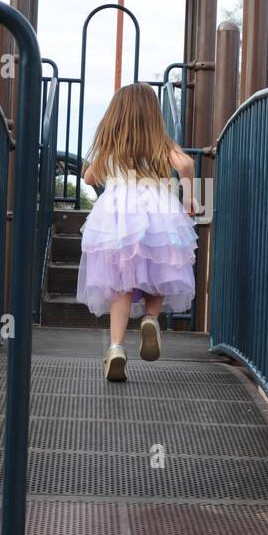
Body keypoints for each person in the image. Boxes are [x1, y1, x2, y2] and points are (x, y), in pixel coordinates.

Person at [76, 82, 198, 381]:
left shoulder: (112, 142)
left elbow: (89, 176)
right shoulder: (160, 140)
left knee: (122, 285)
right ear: (154, 113)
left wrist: (107, 175)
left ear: (116, 113)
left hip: (118, 212)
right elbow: (186, 165)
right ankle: (151, 319)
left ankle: (117, 347)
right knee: (160, 268)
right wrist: (190, 196)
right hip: (157, 205)